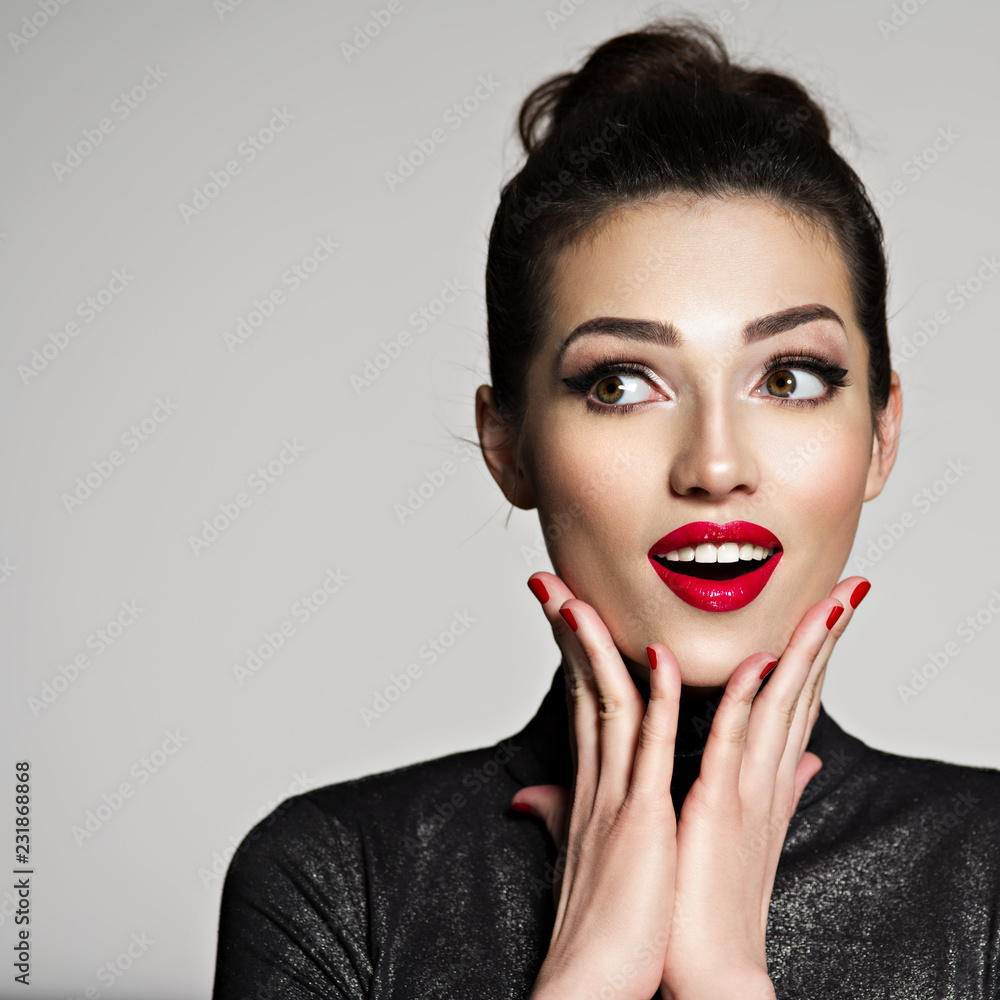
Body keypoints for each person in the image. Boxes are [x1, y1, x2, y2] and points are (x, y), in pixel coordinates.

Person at [211, 17, 1000, 999]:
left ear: (881, 430)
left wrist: (720, 976)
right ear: (508, 443)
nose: (714, 465)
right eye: (622, 383)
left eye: (791, 376)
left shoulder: (986, 879)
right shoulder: (338, 882)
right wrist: (585, 978)